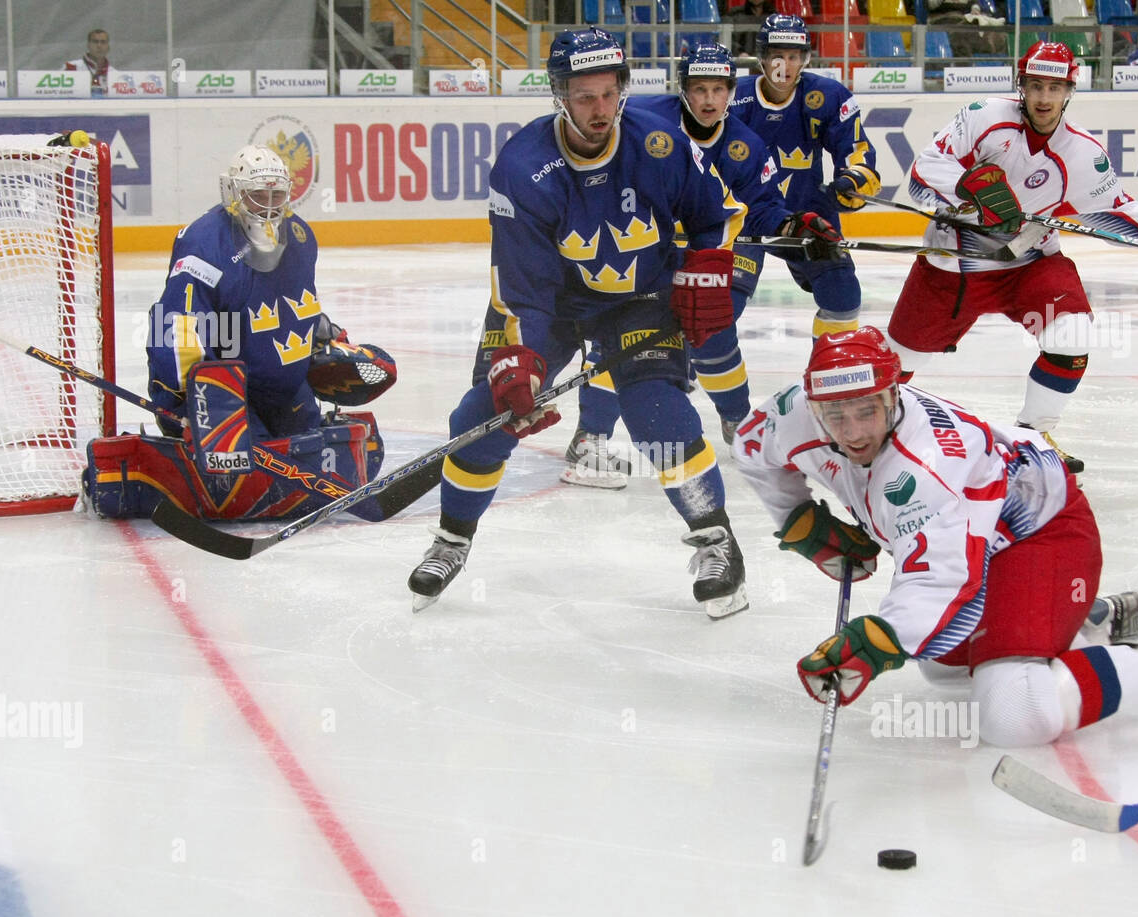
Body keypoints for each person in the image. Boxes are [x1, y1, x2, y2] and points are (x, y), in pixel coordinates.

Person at [733, 327, 1138, 748]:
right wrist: (801, 521)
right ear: (811, 403)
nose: (851, 433)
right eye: (834, 416)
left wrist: (873, 643)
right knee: (945, 668)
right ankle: (1096, 620)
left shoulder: (930, 465)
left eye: (867, 411)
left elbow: (940, 581)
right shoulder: (798, 410)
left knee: (1014, 715)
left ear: (894, 395)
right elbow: (751, 448)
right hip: (985, 539)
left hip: (1041, 536)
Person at [407, 29, 751, 619]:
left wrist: (710, 270)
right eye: (584, 96)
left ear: (623, 91)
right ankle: (452, 540)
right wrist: (524, 363)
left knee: (658, 417)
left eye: (608, 94)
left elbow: (717, 217)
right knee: (483, 415)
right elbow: (524, 290)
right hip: (554, 305)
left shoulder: (662, 143)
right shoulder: (522, 166)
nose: (599, 109)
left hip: (641, 298)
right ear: (559, 96)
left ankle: (717, 543)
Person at [885, 41, 1138, 473]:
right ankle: (884, 434)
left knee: (1073, 333)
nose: (1044, 98)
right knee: (899, 363)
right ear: (1021, 85)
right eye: (1035, 85)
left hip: (1030, 263)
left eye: (1055, 87)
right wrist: (971, 187)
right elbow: (921, 174)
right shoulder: (982, 117)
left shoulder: (1082, 154)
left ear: (1070, 90)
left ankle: (1031, 435)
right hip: (953, 266)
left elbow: (1118, 211)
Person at [560, 40, 845, 485]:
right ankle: (589, 437)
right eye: (699, 89)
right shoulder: (646, 120)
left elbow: (764, 209)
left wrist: (795, 226)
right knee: (618, 334)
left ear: (732, 91)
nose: (709, 100)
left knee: (711, 328)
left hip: (723, 246)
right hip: (644, 248)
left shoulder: (746, 147)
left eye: (718, 89)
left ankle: (737, 422)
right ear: (682, 90)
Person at [81, 145, 394, 521]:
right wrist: (192, 396)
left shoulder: (299, 236)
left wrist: (322, 333)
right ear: (233, 192)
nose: (268, 206)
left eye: (276, 195)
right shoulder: (205, 242)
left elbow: (293, 302)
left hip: (279, 385)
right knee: (246, 466)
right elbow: (176, 322)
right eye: (257, 195)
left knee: (307, 446)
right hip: (222, 380)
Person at [729, 15, 881, 355]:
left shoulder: (826, 96)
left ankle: (829, 365)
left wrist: (852, 181)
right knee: (719, 309)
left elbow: (857, 151)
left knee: (843, 296)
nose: (785, 65)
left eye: (794, 56)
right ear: (762, 57)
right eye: (778, 55)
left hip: (807, 219)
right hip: (743, 221)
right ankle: (687, 366)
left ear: (806, 58)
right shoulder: (732, 100)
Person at [64, 28, 112, 97]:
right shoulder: (71, 67)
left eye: (103, 42)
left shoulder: (114, 74)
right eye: (95, 42)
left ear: (108, 47)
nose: (99, 46)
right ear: (88, 45)